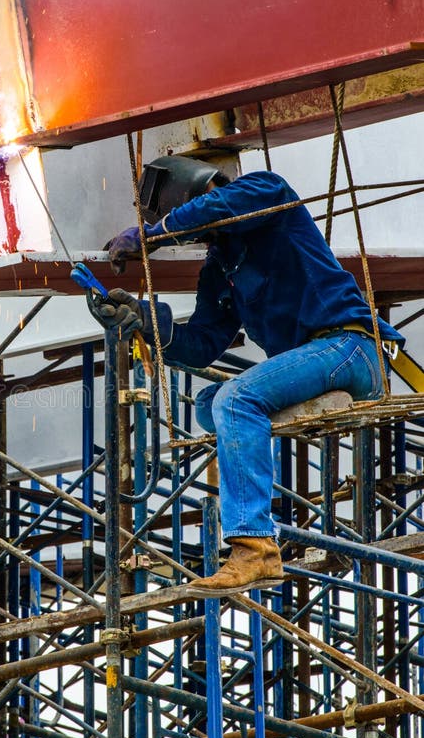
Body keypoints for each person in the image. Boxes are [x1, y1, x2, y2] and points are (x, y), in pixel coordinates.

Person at [88, 162, 404, 595]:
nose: (199, 238)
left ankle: (254, 547)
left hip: (351, 347)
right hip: (315, 362)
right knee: (211, 404)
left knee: (235, 401)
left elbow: (221, 207)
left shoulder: (267, 191)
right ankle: (301, 421)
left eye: (193, 226)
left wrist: (152, 233)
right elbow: (202, 343)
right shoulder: (221, 270)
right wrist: (147, 322)